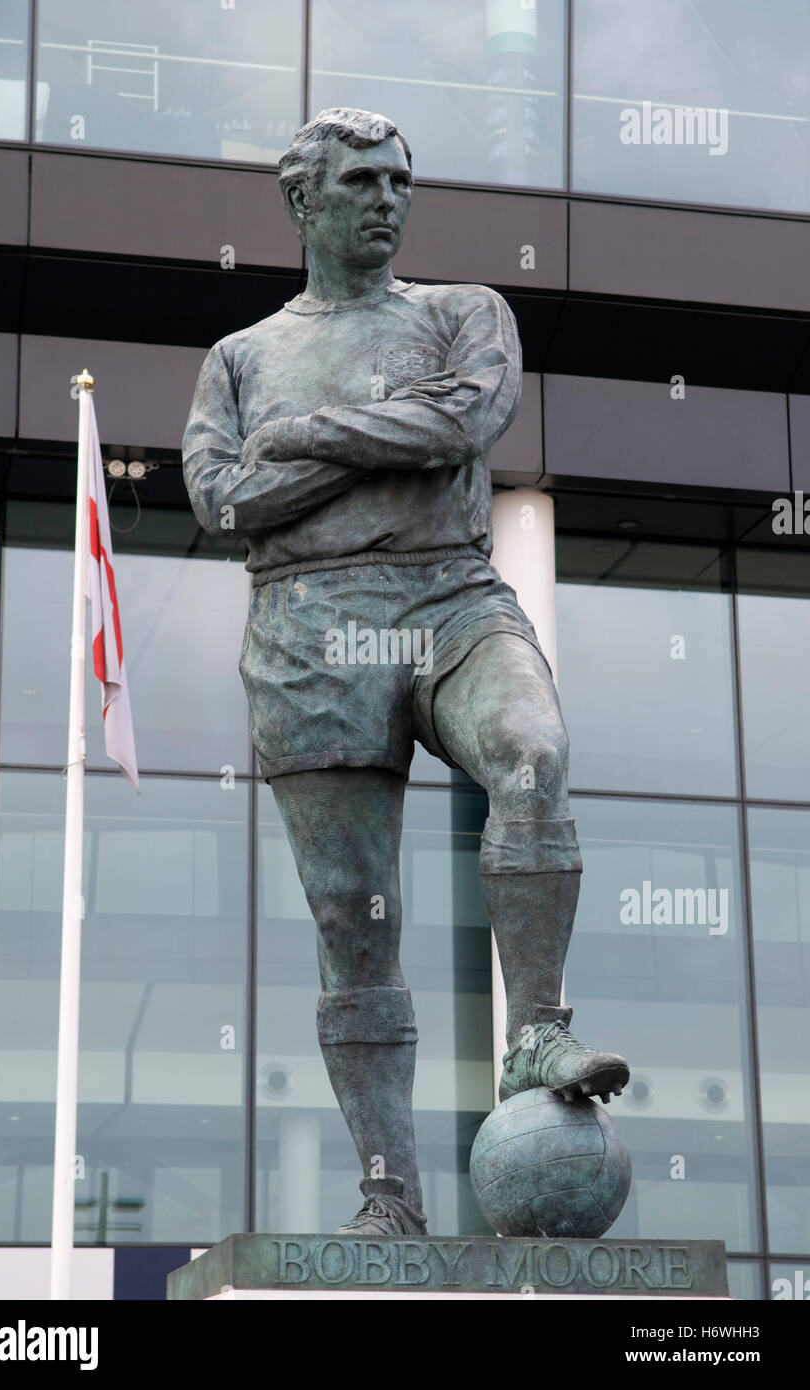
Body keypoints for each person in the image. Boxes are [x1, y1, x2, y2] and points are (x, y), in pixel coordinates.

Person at [183, 107, 629, 1237]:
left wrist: (297, 442)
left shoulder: (461, 313)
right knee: (353, 922)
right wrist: (378, 432)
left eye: (400, 181)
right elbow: (221, 500)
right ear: (301, 201)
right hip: (306, 627)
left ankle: (535, 1025)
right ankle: (389, 1191)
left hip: (447, 594)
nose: (387, 200)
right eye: (361, 182)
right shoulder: (239, 357)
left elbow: (464, 420)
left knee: (529, 750)